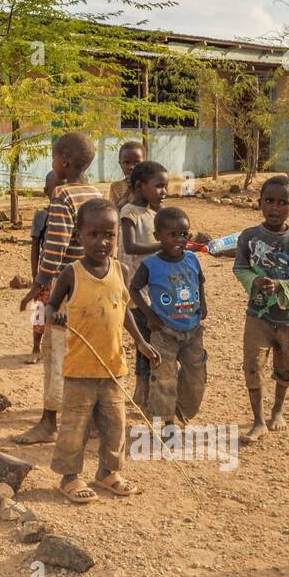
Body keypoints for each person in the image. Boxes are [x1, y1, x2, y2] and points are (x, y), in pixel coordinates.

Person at [45, 198, 157, 503]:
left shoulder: (120, 271)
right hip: (80, 368)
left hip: (112, 367)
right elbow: (51, 305)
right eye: (93, 234)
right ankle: (69, 477)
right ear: (79, 235)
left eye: (109, 235)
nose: (102, 242)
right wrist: (54, 314)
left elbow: (125, 312)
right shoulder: (72, 273)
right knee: (75, 426)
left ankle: (109, 472)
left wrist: (141, 342)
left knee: (115, 424)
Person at [16, 131, 103, 444]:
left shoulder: (62, 196)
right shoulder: (97, 193)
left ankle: (48, 422)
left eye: (53, 158)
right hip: (93, 289)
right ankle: (92, 421)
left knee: (56, 354)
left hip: (65, 292)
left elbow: (54, 250)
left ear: (64, 163)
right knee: (87, 353)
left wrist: (35, 288)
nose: (52, 163)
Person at [234, 175, 289, 443]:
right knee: (253, 366)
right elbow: (241, 268)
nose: (275, 208)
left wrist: (280, 286)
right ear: (259, 203)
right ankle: (258, 421)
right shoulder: (248, 238)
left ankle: (277, 411)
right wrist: (254, 281)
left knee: (286, 366)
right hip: (257, 315)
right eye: (269, 200)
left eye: (283, 202)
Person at [129, 205, 208, 426]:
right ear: (158, 236)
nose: (179, 239)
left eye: (184, 234)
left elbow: (199, 281)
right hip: (164, 332)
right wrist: (149, 314)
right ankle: (166, 422)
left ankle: (180, 411)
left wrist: (203, 303)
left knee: (196, 377)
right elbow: (133, 289)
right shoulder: (151, 264)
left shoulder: (192, 258)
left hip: (192, 331)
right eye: (172, 235)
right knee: (164, 379)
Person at [119, 160, 169, 409]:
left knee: (148, 336)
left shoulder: (152, 214)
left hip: (150, 286)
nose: (163, 191)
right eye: (158, 186)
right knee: (144, 338)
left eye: (165, 186)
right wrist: (163, 245)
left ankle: (144, 389)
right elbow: (129, 246)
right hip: (133, 287)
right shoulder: (129, 212)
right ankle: (142, 389)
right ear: (140, 186)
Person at [25, 171, 64, 364]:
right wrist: (36, 276)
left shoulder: (71, 213)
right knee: (40, 310)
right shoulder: (42, 216)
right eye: (55, 188)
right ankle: (35, 347)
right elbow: (35, 247)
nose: (59, 192)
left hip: (66, 274)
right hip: (46, 274)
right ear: (46, 191)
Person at [109, 140, 145, 207]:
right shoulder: (116, 187)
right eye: (126, 163)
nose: (131, 167)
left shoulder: (149, 185)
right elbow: (114, 211)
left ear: (144, 163)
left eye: (137, 162)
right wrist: (129, 191)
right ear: (120, 164)